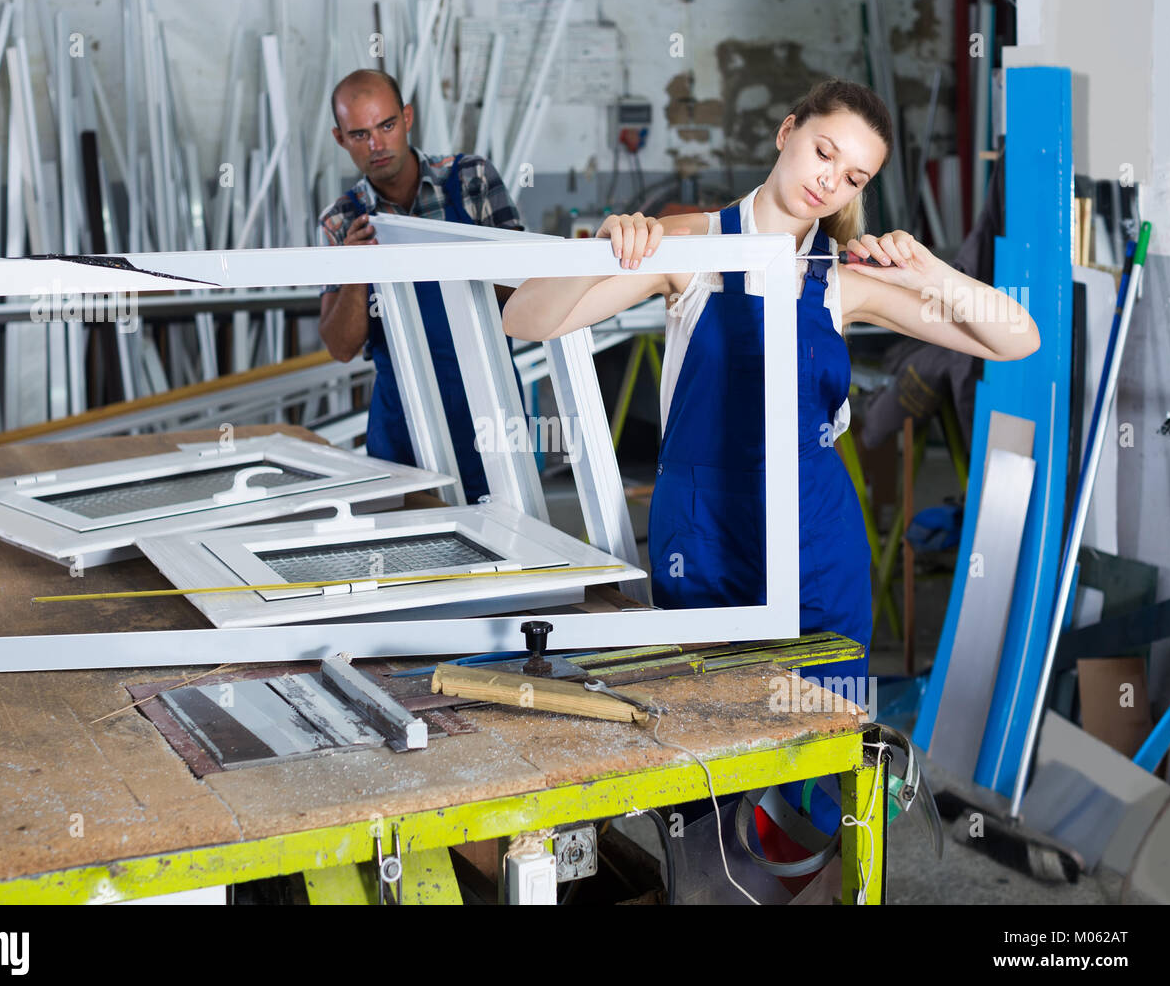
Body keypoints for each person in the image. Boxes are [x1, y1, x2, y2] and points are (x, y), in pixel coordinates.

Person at [504, 77, 1039, 695]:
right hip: (705, 533)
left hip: (817, 536)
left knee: (821, 737)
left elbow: (1017, 338)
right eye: (824, 152)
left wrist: (928, 270)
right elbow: (524, 320)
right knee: (704, 737)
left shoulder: (841, 280)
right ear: (788, 132)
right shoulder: (691, 245)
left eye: (854, 177)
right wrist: (601, 248)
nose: (829, 181)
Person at [318, 69, 525, 501]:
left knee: (507, 545)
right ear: (340, 139)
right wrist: (357, 270)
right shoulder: (341, 219)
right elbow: (341, 347)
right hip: (403, 420)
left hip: (487, 404)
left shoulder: (472, 180)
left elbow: (527, 292)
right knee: (409, 551)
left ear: (407, 117)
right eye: (359, 134)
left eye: (386, 126)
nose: (376, 145)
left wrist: (463, 257)